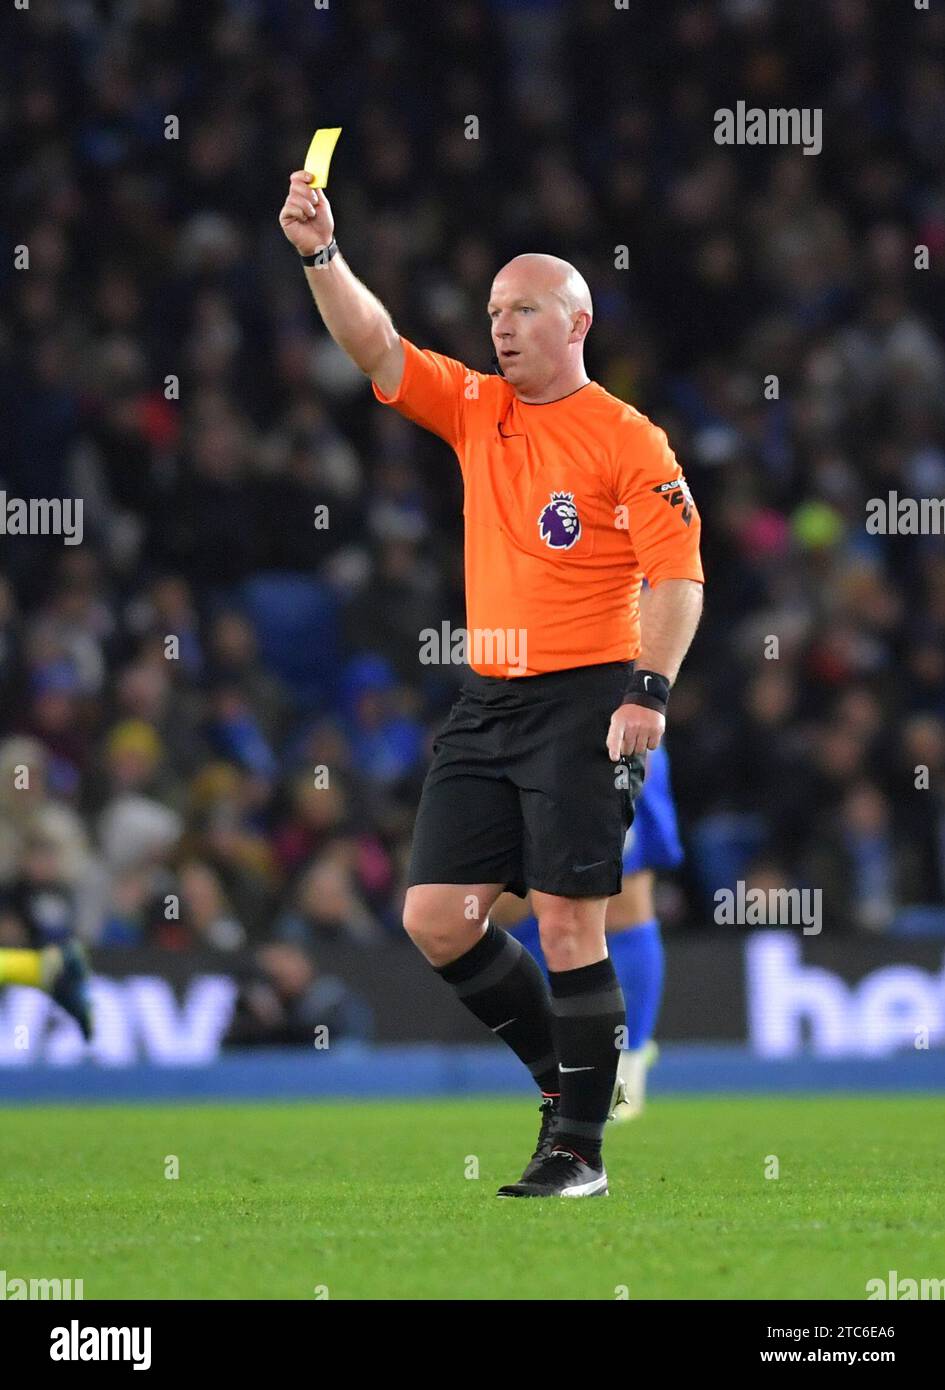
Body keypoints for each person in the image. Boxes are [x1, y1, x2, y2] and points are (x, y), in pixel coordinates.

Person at [279, 172, 704, 1197]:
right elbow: (376, 346)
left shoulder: (628, 438)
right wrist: (321, 256)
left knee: (570, 921)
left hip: (591, 695)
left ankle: (581, 1152)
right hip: (489, 697)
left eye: (522, 311)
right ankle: (569, 1084)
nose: (502, 329)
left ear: (576, 321)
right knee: (436, 915)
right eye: (492, 314)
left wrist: (646, 691)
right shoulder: (478, 409)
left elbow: (682, 578)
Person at [494, 739, 684, 1120]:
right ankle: (571, 1055)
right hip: (520, 726)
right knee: (509, 901)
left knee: (621, 895)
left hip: (607, 729)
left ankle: (626, 1057)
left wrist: (644, 699)